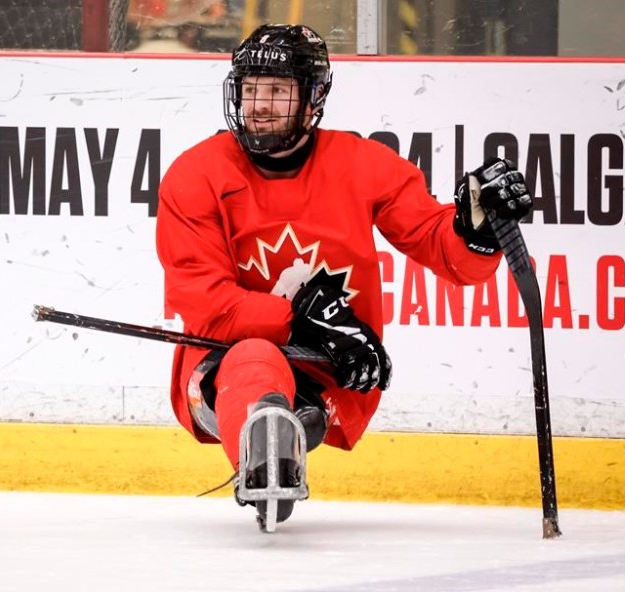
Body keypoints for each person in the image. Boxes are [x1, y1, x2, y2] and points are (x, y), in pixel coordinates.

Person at [155, 23, 533, 530]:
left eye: (277, 91)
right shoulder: (196, 174)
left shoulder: (363, 165)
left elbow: (443, 251)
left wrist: (475, 232)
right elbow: (205, 302)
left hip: (331, 366)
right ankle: (267, 447)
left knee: (282, 373)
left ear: (312, 98)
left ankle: (284, 432)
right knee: (254, 357)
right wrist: (303, 321)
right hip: (222, 368)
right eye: (249, 90)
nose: (259, 105)